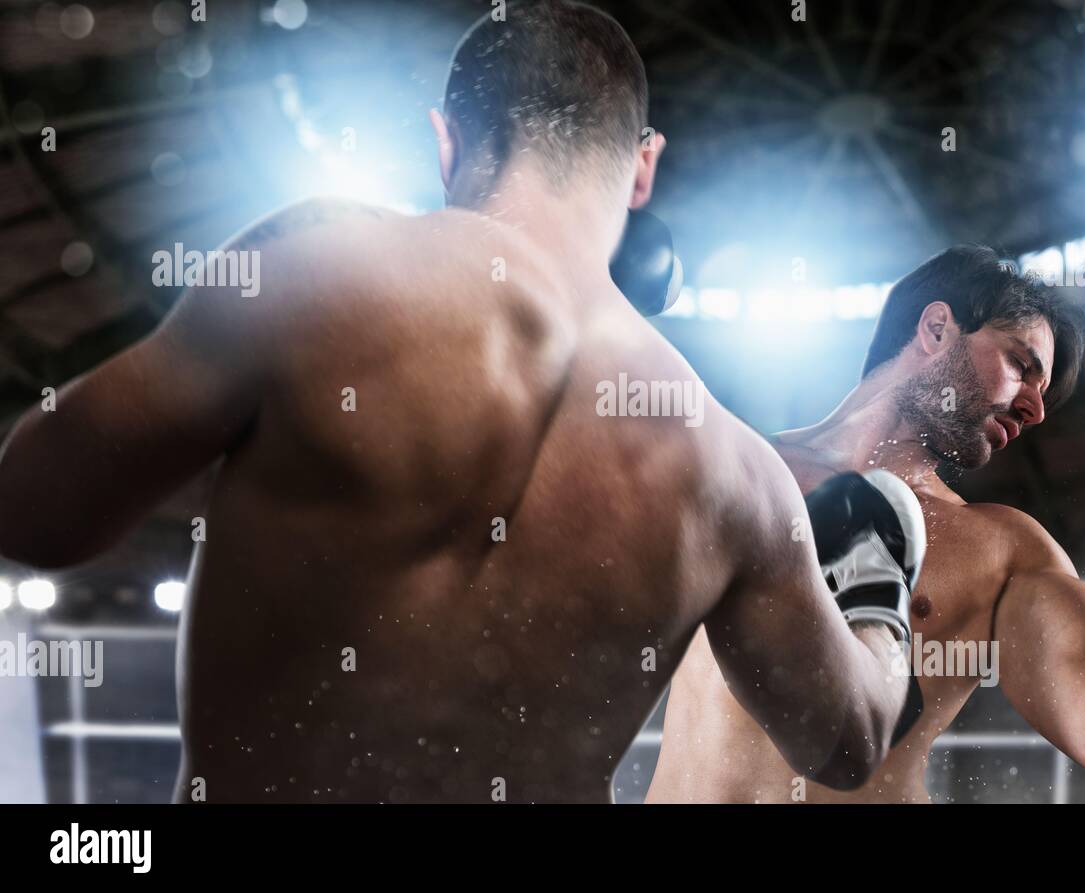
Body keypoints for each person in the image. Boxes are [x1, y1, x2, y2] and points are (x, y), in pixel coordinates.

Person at [0, 1, 916, 803]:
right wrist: (879, 582)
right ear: (644, 168)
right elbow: (848, 741)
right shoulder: (737, 474)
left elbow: (35, 510)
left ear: (447, 142)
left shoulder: (320, 271)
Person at [646, 248, 1085, 803]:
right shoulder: (727, 469)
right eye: (1022, 365)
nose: (1035, 409)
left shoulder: (1000, 549)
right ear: (937, 328)